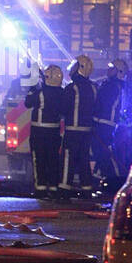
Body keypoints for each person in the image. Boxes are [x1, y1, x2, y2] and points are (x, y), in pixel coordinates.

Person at [24, 64, 64, 198]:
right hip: (54, 132)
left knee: (39, 160)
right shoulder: (62, 93)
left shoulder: (40, 93)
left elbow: (28, 103)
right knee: (53, 160)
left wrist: (32, 87)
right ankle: (53, 188)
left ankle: (40, 189)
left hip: (39, 132)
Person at [59, 55, 96, 197]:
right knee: (84, 160)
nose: (72, 69)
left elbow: (63, 109)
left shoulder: (71, 88)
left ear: (80, 68)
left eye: (75, 66)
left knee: (68, 160)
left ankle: (63, 190)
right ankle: (87, 190)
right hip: (87, 132)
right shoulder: (93, 88)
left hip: (72, 131)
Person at [92, 59, 126, 195]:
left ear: (119, 72)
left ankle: (118, 179)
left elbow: (102, 104)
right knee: (101, 153)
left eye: (112, 68)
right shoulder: (110, 85)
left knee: (106, 152)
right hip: (103, 122)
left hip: (105, 124)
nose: (108, 71)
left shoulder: (113, 86)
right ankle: (97, 180)